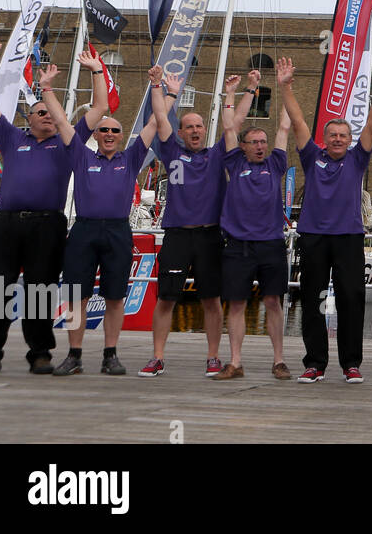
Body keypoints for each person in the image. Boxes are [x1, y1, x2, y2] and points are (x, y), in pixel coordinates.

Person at [0, 43, 103, 375]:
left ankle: (39, 353)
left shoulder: (69, 142)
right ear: (29, 119)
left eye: (51, 112)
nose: (48, 115)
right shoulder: (11, 138)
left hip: (47, 225)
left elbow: (100, 108)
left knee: (40, 289)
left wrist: (96, 71)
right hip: (7, 223)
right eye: (40, 112)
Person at [277, 57, 372, 384]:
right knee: (313, 300)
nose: (339, 139)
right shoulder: (311, 156)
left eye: (344, 135)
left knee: (350, 300)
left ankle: (351, 364)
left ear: (349, 139)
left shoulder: (357, 159)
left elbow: (371, 127)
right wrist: (285, 87)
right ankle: (315, 363)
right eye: (333, 135)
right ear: (325, 138)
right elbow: (298, 121)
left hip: (348, 238)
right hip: (313, 237)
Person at [139, 69, 256, 378]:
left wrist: (247, 90)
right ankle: (157, 357)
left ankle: (213, 357)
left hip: (209, 236)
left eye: (199, 126)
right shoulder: (171, 150)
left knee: (211, 299)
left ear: (205, 130)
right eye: (189, 126)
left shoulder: (217, 155)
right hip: (177, 235)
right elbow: (160, 117)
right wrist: (159, 87)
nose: (194, 130)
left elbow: (236, 123)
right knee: (166, 298)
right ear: (181, 131)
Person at [55, 54, 162, 376]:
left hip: (117, 231)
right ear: (96, 135)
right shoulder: (81, 155)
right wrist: (92, 73)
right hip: (84, 230)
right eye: (104, 130)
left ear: (121, 135)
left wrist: (160, 88)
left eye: (116, 130)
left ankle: (110, 355)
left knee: (115, 297)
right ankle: (74, 355)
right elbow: (62, 123)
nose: (110, 133)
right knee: (77, 296)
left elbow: (155, 123)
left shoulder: (131, 159)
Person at [213, 74, 292, 381]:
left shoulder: (275, 164)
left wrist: (286, 88)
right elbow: (229, 128)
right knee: (236, 303)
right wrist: (231, 94)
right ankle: (235, 362)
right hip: (238, 245)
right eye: (254, 142)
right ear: (243, 146)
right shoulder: (235, 163)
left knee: (273, 301)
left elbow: (284, 127)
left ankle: (279, 360)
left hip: (271, 244)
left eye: (263, 142)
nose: (260, 147)